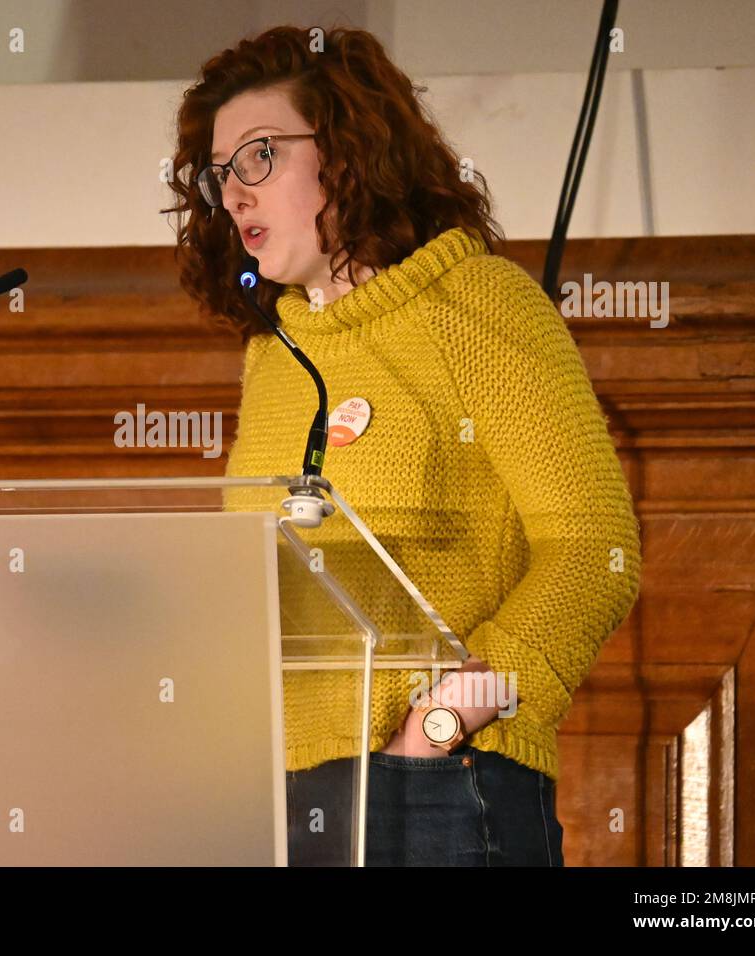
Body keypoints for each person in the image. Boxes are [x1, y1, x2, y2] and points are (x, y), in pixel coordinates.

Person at [161, 26, 642, 866]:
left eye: (260, 155)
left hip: (443, 786)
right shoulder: (274, 355)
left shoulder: (478, 303)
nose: (232, 193)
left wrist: (443, 721)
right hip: (284, 796)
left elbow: (594, 549)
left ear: (350, 149)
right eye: (217, 171)